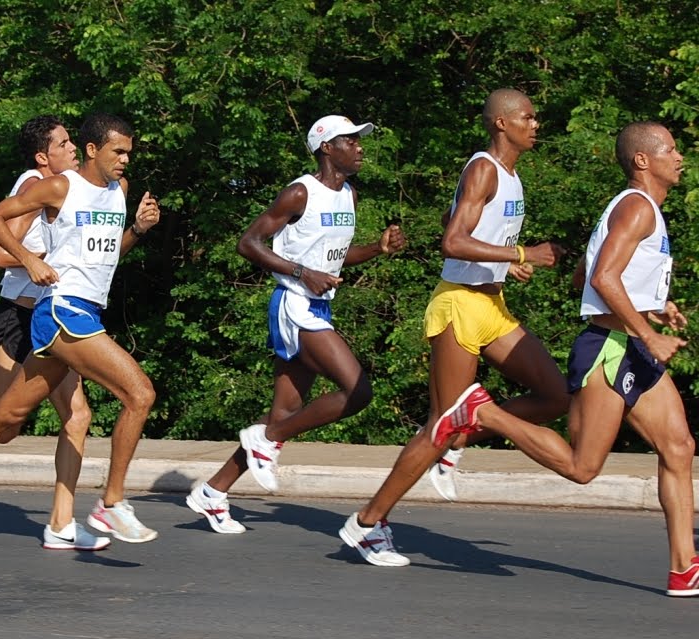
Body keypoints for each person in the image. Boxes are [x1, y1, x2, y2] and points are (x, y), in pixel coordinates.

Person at [431, 121, 697, 597]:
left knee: (679, 448)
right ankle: (482, 412)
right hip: (611, 349)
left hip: (631, 346)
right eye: (671, 150)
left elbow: (583, 275)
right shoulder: (637, 208)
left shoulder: (637, 208)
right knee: (582, 468)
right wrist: (648, 333)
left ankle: (684, 568)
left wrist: (654, 306)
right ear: (643, 160)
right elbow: (601, 280)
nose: (680, 158)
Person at [0, 113, 161, 541]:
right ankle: (111, 505)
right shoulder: (59, 187)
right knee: (140, 393)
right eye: (118, 151)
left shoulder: (120, 191)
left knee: (9, 414)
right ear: (92, 150)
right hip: (62, 311)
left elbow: (109, 256)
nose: (125, 160)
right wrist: (29, 259)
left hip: (87, 311)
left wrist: (137, 229)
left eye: (129, 152)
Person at [338, 89, 567, 566]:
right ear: (502, 123)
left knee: (554, 395)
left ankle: (462, 435)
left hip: (492, 306)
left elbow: (456, 219)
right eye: (527, 117)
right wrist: (522, 253)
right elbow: (452, 241)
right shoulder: (484, 168)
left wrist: (506, 264)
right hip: (459, 306)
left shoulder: (510, 176)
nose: (535, 124)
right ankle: (366, 523)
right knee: (438, 426)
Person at [185, 115, 405, 533]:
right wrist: (303, 273)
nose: (360, 147)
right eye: (350, 140)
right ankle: (267, 440)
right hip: (294, 305)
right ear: (327, 148)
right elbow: (248, 243)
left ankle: (213, 492)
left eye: (359, 140)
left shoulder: (349, 195)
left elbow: (335, 259)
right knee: (358, 391)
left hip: (319, 307)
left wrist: (376, 248)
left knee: (285, 413)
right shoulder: (300, 192)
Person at [0, 115, 106, 550]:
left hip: (48, 318)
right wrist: (37, 259)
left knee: (78, 416)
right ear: (43, 156)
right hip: (17, 317)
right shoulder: (34, 184)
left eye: (73, 141)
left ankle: (61, 524)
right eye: (64, 143)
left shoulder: (71, 189)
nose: (73, 148)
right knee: (3, 427)